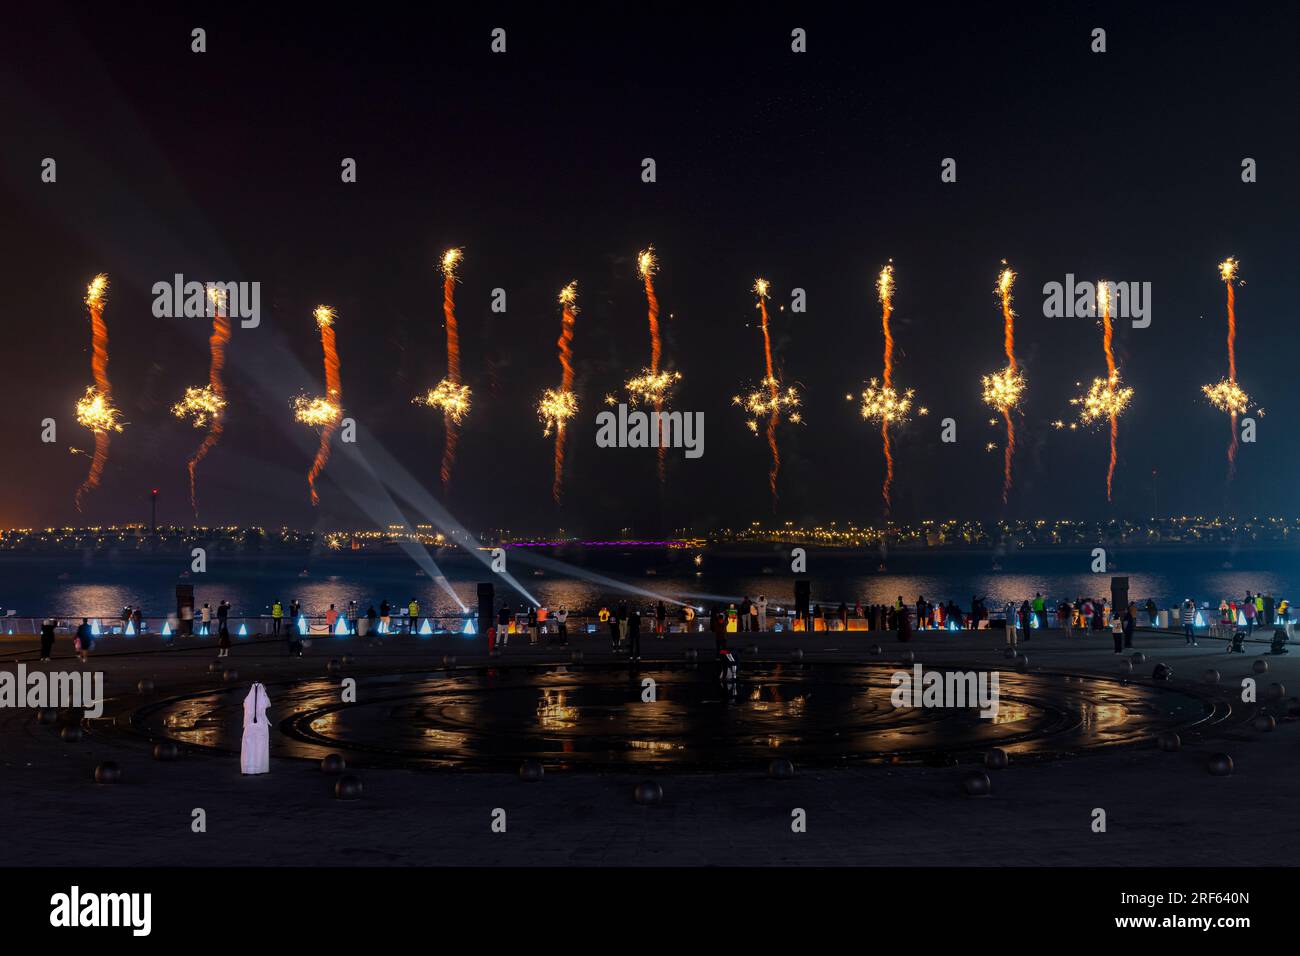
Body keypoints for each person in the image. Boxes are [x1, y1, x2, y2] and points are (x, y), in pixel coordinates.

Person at [240, 682, 272, 775]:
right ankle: (259, 768)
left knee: (249, 747)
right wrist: (264, 692)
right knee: (260, 746)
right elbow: (268, 703)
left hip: (249, 725)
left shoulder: (248, 699)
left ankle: (247, 768)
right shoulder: (263, 698)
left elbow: (245, 705)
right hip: (261, 724)